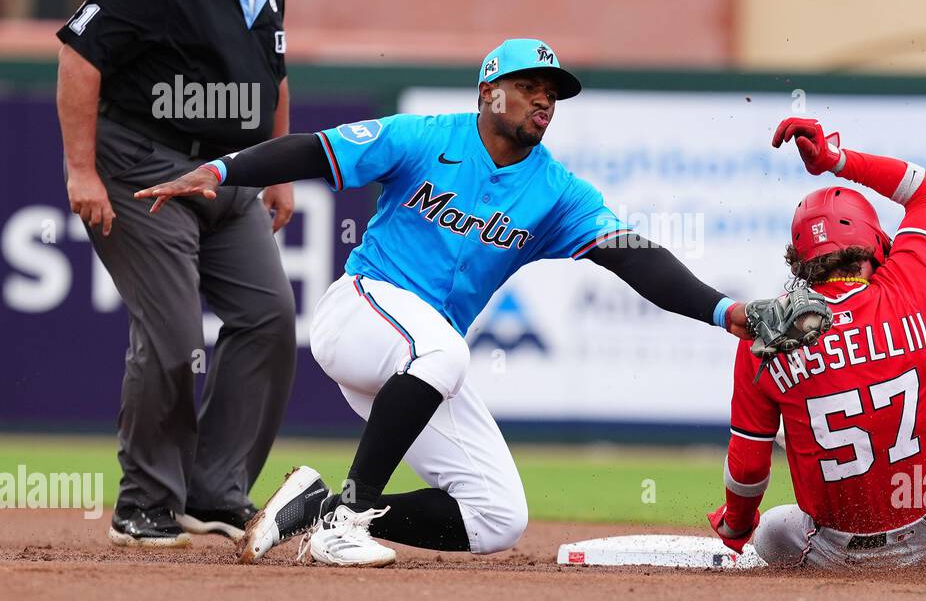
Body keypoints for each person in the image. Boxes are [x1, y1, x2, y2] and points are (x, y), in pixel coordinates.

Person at [136, 38, 799, 567]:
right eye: (531, 87)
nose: (545, 100)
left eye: (554, 93)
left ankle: (317, 507)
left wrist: (727, 312)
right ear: (489, 91)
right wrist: (223, 170)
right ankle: (348, 522)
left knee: (496, 517)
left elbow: (633, 255)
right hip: (362, 311)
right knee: (444, 349)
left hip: (420, 367)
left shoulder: (557, 192)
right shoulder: (427, 138)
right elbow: (316, 149)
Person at [55, 0, 297, 546]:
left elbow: (273, 77)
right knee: (174, 338)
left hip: (228, 173)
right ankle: (144, 504)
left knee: (270, 316)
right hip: (143, 167)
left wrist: (277, 167)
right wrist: (81, 171)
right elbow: (77, 51)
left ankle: (215, 492)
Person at [707, 117, 926, 570]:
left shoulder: (765, 333)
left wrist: (735, 527)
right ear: (872, 245)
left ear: (801, 262)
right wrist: (834, 160)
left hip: (836, 551)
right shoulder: (912, 287)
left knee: (769, 530)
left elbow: (748, 470)